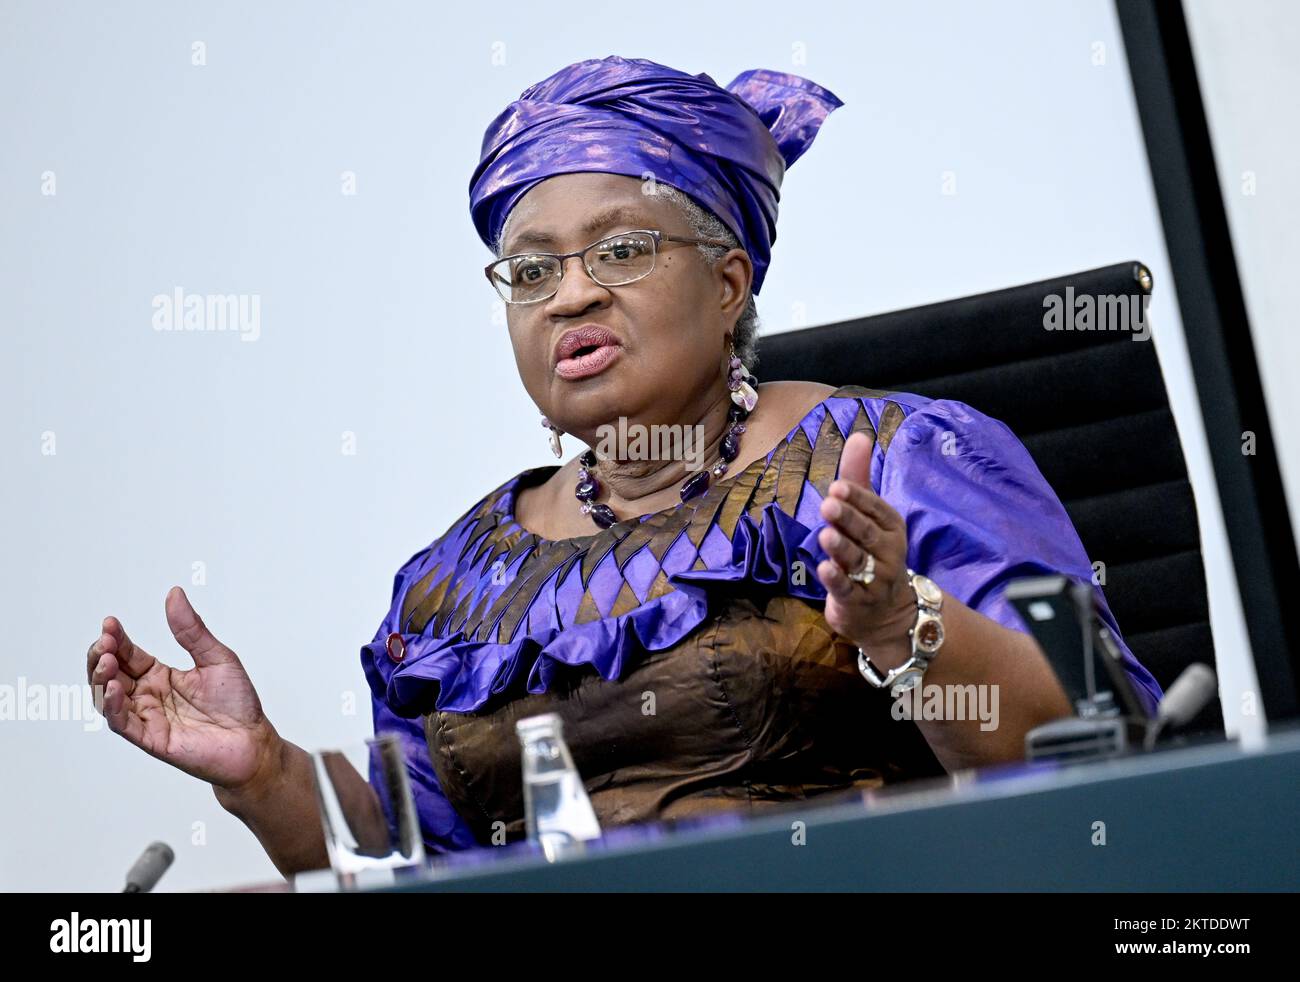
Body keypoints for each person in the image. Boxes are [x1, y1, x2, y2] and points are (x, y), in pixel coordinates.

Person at [85, 55, 1163, 876]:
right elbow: (417, 850)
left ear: (730, 281)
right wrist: (266, 770)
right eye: (531, 269)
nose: (569, 295)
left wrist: (898, 626)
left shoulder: (888, 458)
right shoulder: (452, 583)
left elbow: (1092, 748)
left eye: (620, 250)